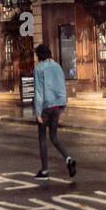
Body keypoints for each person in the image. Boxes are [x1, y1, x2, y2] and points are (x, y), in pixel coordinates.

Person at [33, 43, 76, 180]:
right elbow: (62, 86)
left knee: (42, 138)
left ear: (39, 55)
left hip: (45, 107)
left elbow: (39, 91)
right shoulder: (57, 66)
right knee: (54, 137)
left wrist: (38, 112)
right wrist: (63, 106)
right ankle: (68, 158)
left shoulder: (39, 69)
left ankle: (45, 171)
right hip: (57, 106)